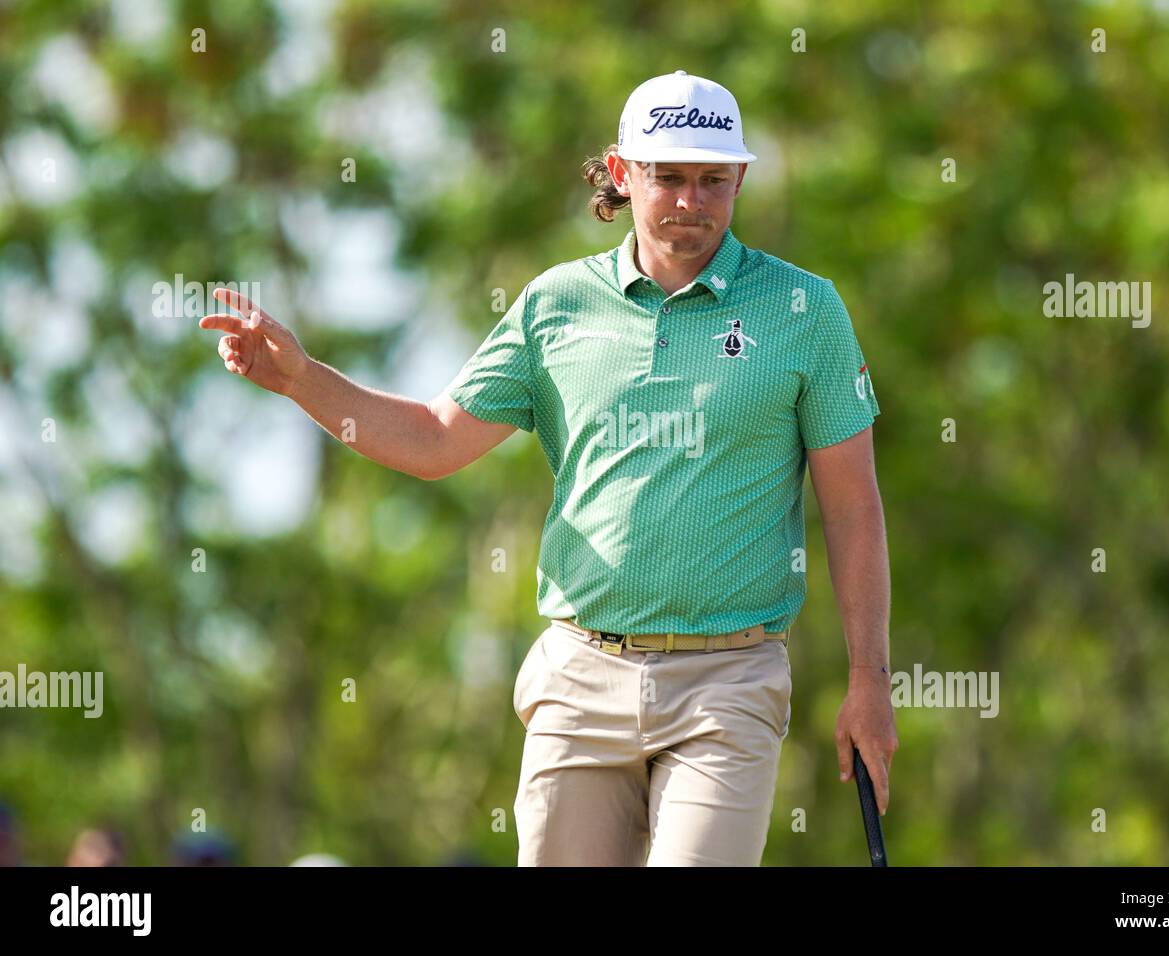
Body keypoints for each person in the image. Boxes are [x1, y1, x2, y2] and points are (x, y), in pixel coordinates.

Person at [198, 70, 896, 867]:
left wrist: (869, 677)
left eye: (713, 179)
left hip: (728, 683)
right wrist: (299, 378)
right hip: (579, 678)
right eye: (668, 177)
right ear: (622, 172)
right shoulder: (555, 305)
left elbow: (852, 508)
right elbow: (433, 439)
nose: (690, 202)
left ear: (740, 177)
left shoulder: (805, 310)